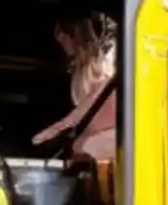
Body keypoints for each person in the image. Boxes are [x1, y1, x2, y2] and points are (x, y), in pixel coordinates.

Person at [31, 13, 116, 160]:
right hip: (94, 133)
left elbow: (96, 102)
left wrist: (60, 127)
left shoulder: (98, 67)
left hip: (112, 134)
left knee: (83, 147)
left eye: (62, 37)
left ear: (73, 36)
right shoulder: (78, 69)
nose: (62, 43)